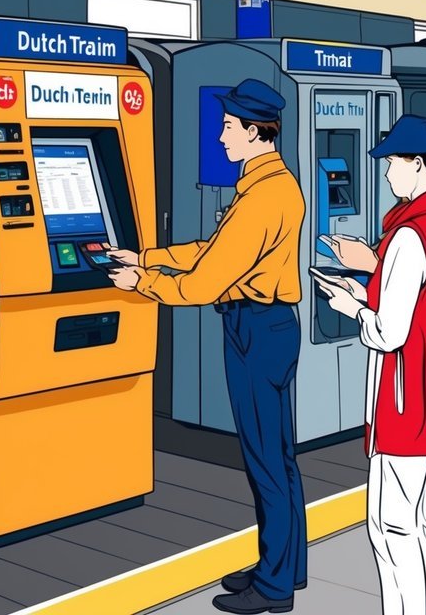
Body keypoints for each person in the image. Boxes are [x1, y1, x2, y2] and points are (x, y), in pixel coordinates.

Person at [107, 78, 307, 615]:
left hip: (254, 329)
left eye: (226, 127)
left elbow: (203, 283)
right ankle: (284, 565)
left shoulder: (263, 197)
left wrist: (140, 284)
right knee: (279, 458)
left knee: (266, 460)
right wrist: (147, 256)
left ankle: (274, 588)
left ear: (253, 131)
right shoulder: (268, 185)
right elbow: (212, 250)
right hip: (269, 326)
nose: (219, 137)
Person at [316, 115, 426, 615]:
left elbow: (390, 332)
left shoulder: (410, 237)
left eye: (392, 163)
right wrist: (371, 273)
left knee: (391, 528)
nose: (387, 174)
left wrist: (351, 306)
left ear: (417, 165)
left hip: (409, 406)